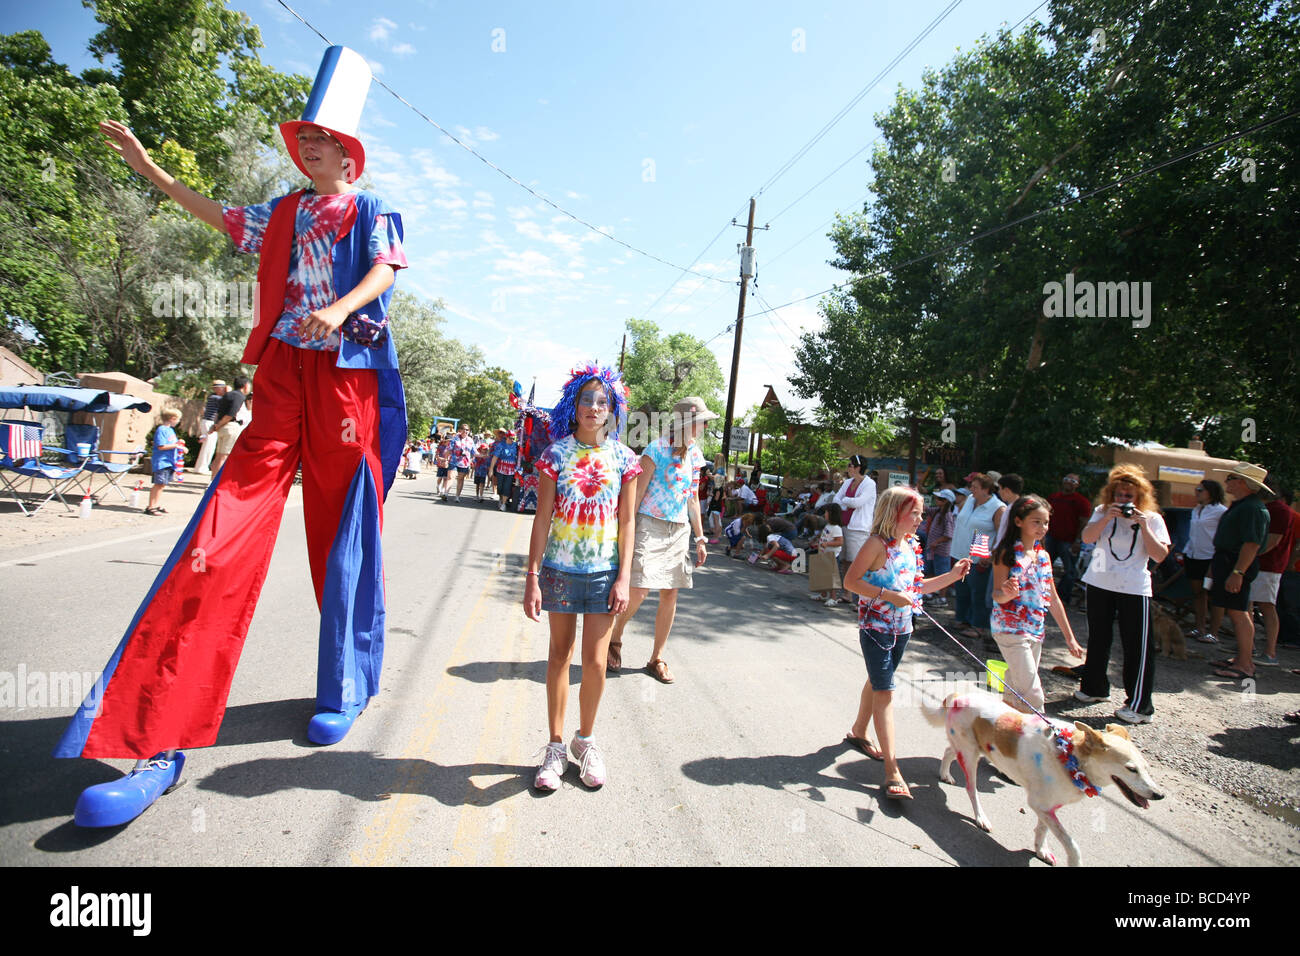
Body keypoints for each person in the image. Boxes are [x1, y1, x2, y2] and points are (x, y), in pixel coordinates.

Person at [59, 47, 408, 828]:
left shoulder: (371, 206)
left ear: (347, 151)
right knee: (218, 533)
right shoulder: (281, 212)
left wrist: (345, 306)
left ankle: (346, 681)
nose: (306, 147)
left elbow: (387, 270)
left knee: (343, 530)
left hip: (347, 372)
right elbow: (213, 212)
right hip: (285, 372)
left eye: (320, 138)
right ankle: (155, 732)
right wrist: (149, 171)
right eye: (301, 139)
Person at [524, 363, 640, 790]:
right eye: (586, 400)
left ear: (612, 411)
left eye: (602, 401)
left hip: (603, 574)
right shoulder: (555, 455)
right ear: (573, 407)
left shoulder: (625, 459)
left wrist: (625, 576)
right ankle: (555, 746)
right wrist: (532, 575)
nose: (594, 407)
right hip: (558, 570)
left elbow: (627, 522)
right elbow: (541, 519)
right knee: (559, 656)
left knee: (594, 662)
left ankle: (585, 741)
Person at [843, 486, 970, 799]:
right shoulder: (876, 544)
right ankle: (892, 771)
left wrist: (953, 576)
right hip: (876, 628)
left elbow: (918, 588)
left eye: (921, 513)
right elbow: (850, 582)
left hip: (904, 629)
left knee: (877, 682)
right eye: (915, 513)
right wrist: (889, 596)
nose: (921, 519)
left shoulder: (912, 544)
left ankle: (859, 731)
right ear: (894, 513)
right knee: (885, 690)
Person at [607, 397, 716, 681]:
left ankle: (656, 658)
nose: (703, 426)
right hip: (649, 525)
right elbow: (637, 493)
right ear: (686, 423)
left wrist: (701, 537)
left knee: (670, 593)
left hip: (678, 529)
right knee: (639, 590)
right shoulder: (656, 449)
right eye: (700, 421)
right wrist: (624, 532)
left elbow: (692, 497)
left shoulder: (695, 455)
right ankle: (614, 637)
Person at [1073, 465, 1170, 723]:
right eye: (1119, 495)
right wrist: (1107, 517)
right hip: (1099, 582)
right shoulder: (1102, 512)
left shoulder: (1152, 518)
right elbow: (1087, 537)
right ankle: (1093, 688)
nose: (1124, 501)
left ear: (1140, 497)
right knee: (1098, 639)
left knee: (1136, 645)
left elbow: (1160, 555)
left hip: (1134, 587)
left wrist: (1143, 526)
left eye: (1129, 497)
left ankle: (1139, 706)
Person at [990, 495, 1084, 713]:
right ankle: (1044, 738)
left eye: (1046, 522)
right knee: (1032, 693)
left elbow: (1053, 599)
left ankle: (1006, 738)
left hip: (1035, 629)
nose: (1043, 527)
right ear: (1018, 521)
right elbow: (997, 595)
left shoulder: (1044, 556)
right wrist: (1006, 593)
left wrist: (1069, 637)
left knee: (1014, 690)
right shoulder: (1006, 552)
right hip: (1010, 629)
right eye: (1036, 521)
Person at [1208, 464, 1273, 681]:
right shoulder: (1244, 506)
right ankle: (1241, 659)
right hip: (1229, 561)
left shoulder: (1252, 508)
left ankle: (1245, 664)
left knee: (1239, 612)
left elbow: (1251, 544)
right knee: (1235, 610)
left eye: (1230, 478)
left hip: (1235, 563)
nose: (1226, 482)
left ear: (1242, 482)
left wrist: (1238, 572)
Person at [951, 473, 1004, 641]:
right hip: (960, 550)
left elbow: (1001, 534)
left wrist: (990, 554)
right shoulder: (969, 501)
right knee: (961, 588)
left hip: (980, 552)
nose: (971, 489)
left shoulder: (997, 507)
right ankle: (963, 619)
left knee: (978, 591)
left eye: (975, 487)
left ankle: (978, 625)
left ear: (986, 489)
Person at [1247, 475, 1294, 667]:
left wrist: (1250, 556)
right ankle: (1248, 646)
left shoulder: (1281, 511)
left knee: (1266, 606)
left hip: (1269, 566)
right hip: (1259, 564)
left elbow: (1273, 541)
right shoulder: (1268, 508)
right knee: (1248, 604)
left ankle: (1270, 652)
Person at [1181, 479, 1228, 644]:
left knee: (1214, 596)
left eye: (1200, 490)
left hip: (1210, 557)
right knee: (1198, 593)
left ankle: (1214, 632)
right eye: (1197, 489)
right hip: (1193, 555)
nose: (1197, 492)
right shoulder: (1196, 510)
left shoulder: (1221, 511)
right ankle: (1199, 627)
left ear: (1211, 492)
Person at [1045, 473, 1093, 606]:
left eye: (1072, 481)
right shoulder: (1053, 497)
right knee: (1043, 568)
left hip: (1069, 541)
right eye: (1066, 479)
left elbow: (1083, 522)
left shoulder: (1082, 502)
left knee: (1070, 571)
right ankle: (1041, 595)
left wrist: (1078, 541)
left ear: (1077, 485)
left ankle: (1062, 598)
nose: (1068, 482)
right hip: (1051, 538)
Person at [143, 410, 186, 515]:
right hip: (162, 461)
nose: (178, 421)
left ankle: (156, 504)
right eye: (178, 419)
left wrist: (180, 445)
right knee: (159, 484)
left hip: (169, 462)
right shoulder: (162, 430)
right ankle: (150, 507)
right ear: (172, 418)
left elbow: (173, 443)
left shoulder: (170, 430)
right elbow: (161, 446)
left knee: (162, 485)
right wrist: (176, 446)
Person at [208, 375, 250, 475]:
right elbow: (231, 414)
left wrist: (216, 425)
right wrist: (218, 425)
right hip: (231, 427)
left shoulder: (228, 395)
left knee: (218, 456)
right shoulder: (239, 396)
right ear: (245, 385)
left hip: (223, 427)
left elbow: (219, 412)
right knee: (224, 457)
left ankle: (212, 482)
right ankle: (215, 484)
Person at [923, 488, 957, 605]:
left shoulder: (947, 515)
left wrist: (936, 542)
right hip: (932, 550)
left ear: (945, 501)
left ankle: (942, 598)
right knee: (930, 571)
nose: (936, 500)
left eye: (939, 499)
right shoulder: (937, 511)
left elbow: (948, 534)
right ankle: (930, 593)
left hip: (941, 550)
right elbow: (926, 510)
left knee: (942, 574)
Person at [809, 503, 844, 606]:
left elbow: (840, 542)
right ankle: (823, 594)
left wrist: (827, 544)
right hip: (824, 553)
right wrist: (817, 542)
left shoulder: (837, 528)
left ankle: (833, 597)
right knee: (823, 576)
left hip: (832, 555)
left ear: (832, 514)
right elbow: (824, 535)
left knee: (831, 577)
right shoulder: (828, 525)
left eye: (826, 512)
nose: (825, 514)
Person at [194, 379, 226, 475]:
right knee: (209, 446)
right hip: (210, 422)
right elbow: (227, 400)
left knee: (207, 445)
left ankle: (200, 467)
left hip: (207, 422)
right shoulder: (215, 397)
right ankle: (202, 467)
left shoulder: (212, 397)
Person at [488, 429, 520, 511]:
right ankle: (501, 499)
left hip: (511, 469)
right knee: (500, 486)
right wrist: (491, 469)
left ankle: (503, 503)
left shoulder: (516, 446)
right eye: (510, 438)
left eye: (513, 438)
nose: (512, 440)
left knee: (507, 486)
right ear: (506, 437)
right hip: (501, 468)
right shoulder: (501, 445)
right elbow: (495, 457)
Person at [444, 421, 476, 501]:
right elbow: (448, 450)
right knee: (450, 477)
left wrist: (485, 455)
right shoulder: (455, 438)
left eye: (467, 430)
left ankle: (457, 496)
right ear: (460, 430)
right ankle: (445, 494)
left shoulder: (470, 440)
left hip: (464, 462)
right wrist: (445, 459)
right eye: (464, 429)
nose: (465, 431)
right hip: (454, 461)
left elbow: (474, 452)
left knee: (460, 479)